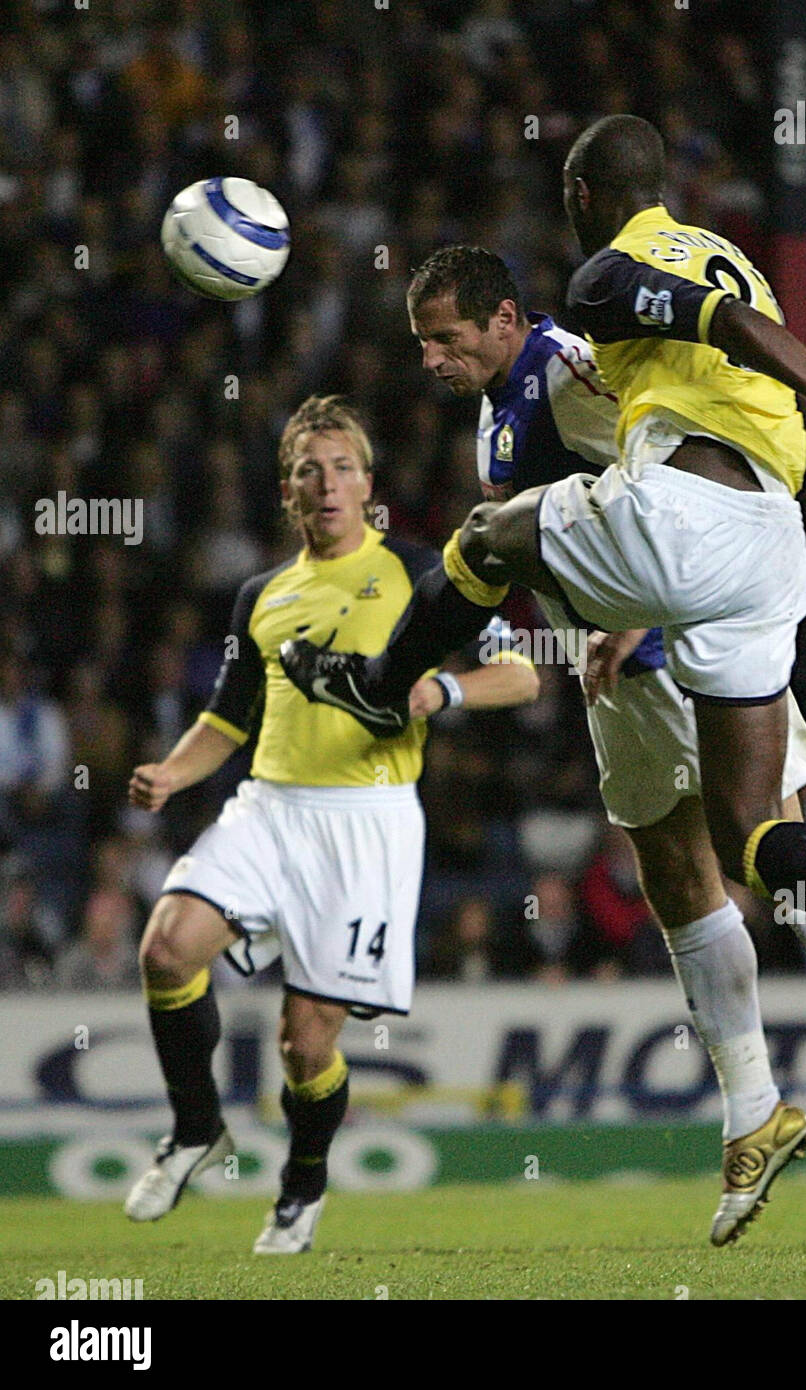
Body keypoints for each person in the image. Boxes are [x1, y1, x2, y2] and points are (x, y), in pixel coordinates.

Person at [282, 120, 806, 1228]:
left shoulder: (572, 354)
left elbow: (658, 440)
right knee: (690, 873)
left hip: (677, 590)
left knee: (781, 881)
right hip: (653, 618)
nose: (430, 359)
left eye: (446, 337)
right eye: (420, 342)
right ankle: (754, 1114)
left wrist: (636, 604)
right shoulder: (501, 410)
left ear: (506, 317)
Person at [123, 394, 538, 1254]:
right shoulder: (261, 597)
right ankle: (197, 1129)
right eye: (310, 470)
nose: (328, 484)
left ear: (368, 484)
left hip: (367, 823)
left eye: (343, 467)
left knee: (304, 1043)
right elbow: (227, 722)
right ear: (287, 491)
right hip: (269, 809)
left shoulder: (425, 571)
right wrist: (171, 771)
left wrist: (443, 689)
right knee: (166, 947)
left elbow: (523, 673)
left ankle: (302, 1186)